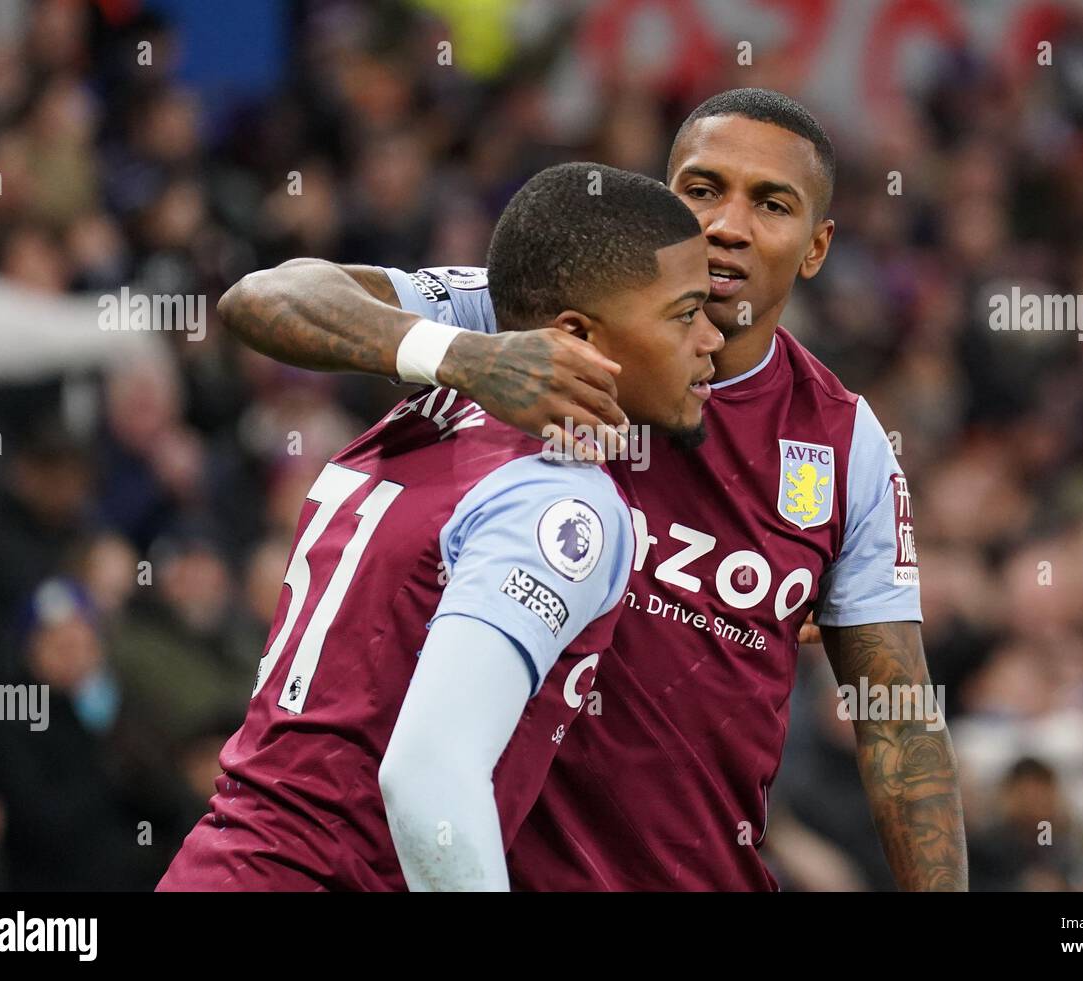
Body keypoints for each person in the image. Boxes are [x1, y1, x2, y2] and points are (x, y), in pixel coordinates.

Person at [219, 88, 968, 891]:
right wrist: (462, 356)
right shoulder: (529, 311)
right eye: (703, 189)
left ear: (816, 247)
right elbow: (264, 298)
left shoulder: (843, 444)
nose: (727, 224)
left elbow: (899, 727)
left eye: (771, 204)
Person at [158, 163, 721, 890]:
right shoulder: (562, 500)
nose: (711, 338)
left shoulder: (428, 408)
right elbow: (429, 779)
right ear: (576, 334)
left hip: (224, 859)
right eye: (685, 314)